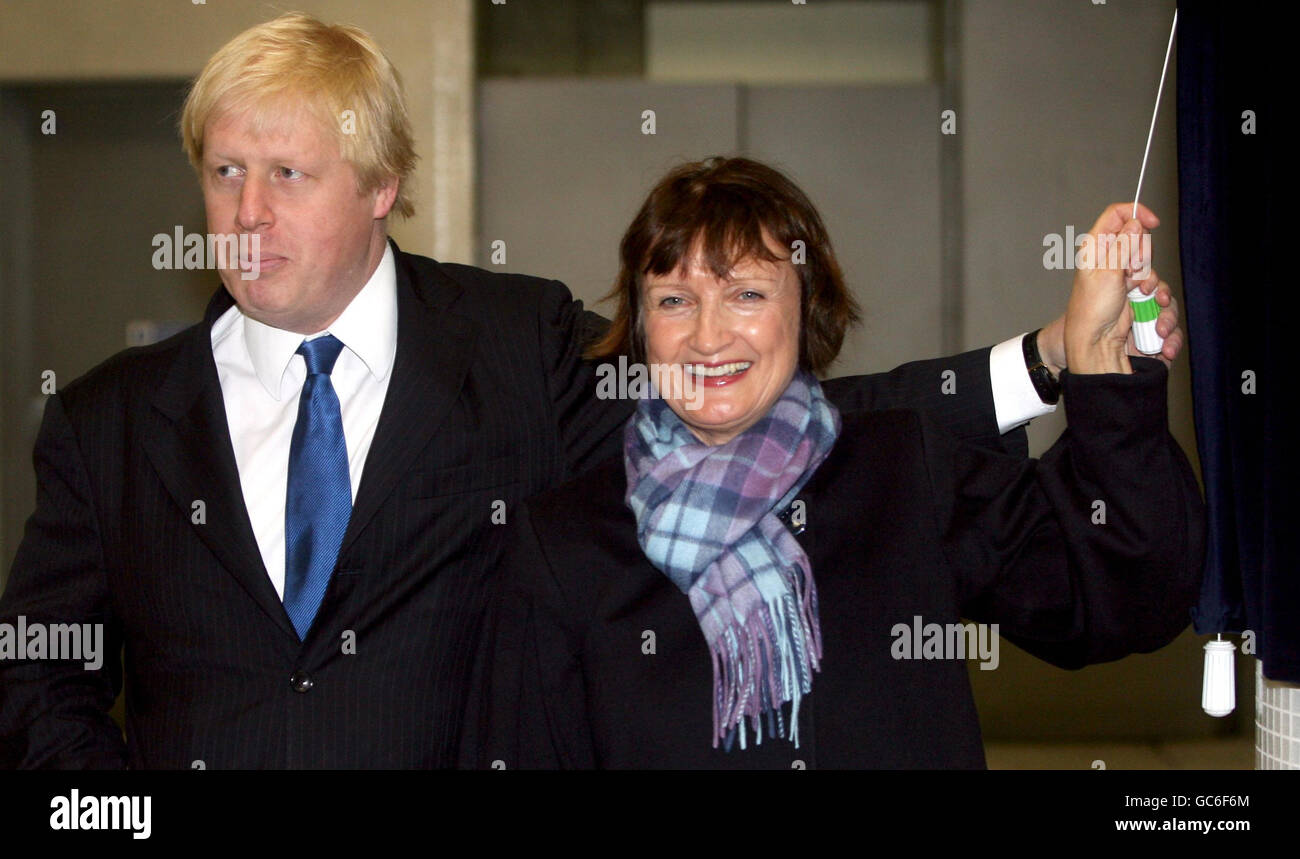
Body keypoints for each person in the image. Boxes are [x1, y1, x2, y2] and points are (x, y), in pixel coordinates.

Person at [0, 15, 1182, 769]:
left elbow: (759, 408)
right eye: (224, 172)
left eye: (289, 173)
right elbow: (35, 683)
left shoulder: (508, 345)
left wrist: (1045, 364)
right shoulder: (107, 421)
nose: (247, 215)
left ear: (382, 188)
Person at [465, 157, 1206, 769]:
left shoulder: (903, 472)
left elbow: (1123, 591)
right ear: (639, 324)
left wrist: (1105, 375)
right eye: (674, 300)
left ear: (806, 305)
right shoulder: (565, 542)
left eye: (747, 293)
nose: (708, 335)